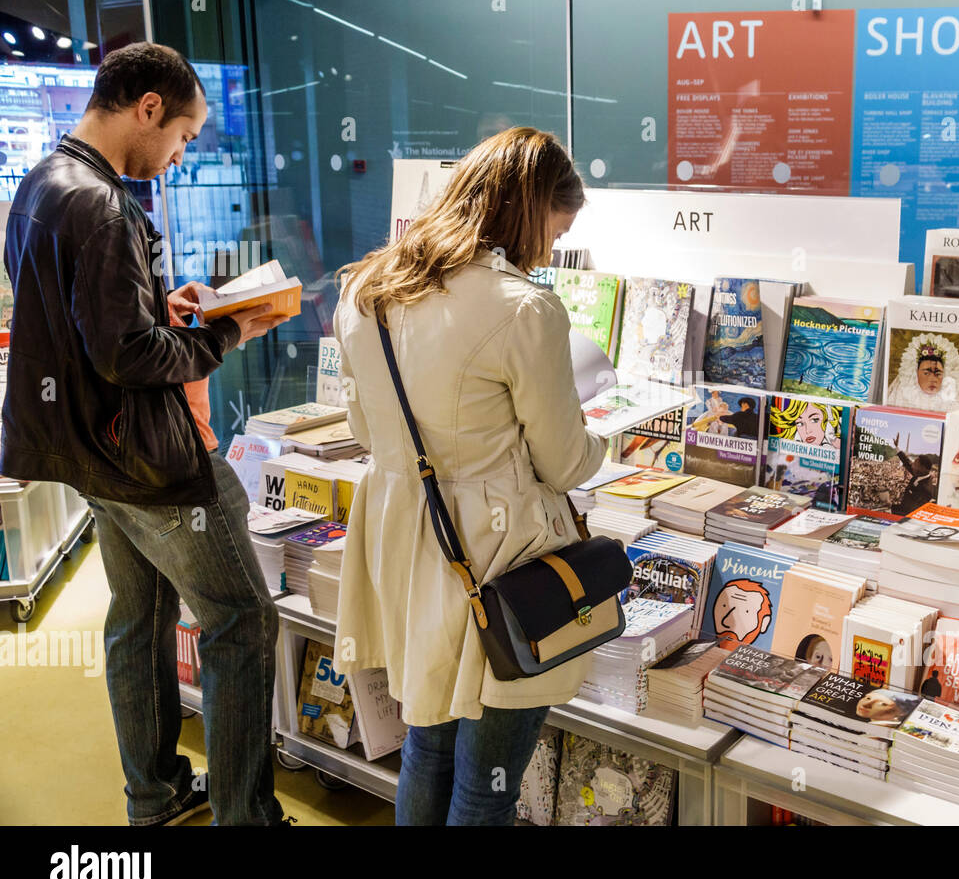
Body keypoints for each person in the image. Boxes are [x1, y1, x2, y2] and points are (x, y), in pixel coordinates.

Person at [0, 42, 288, 825]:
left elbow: (82, 325)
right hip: (150, 462)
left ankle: (154, 797)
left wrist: (163, 306)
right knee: (242, 622)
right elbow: (126, 354)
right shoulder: (100, 204)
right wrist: (233, 332)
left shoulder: (41, 184)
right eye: (184, 135)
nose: (179, 153)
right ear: (149, 108)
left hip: (92, 456)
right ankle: (244, 814)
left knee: (139, 617)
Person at [334, 126, 605, 826]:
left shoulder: (367, 289)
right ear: (529, 208)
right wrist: (602, 437)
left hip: (407, 546)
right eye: (556, 227)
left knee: (427, 748)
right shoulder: (523, 306)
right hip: (495, 555)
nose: (550, 248)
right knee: (487, 783)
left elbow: (365, 432)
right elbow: (565, 460)